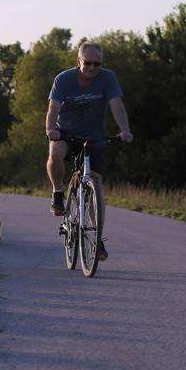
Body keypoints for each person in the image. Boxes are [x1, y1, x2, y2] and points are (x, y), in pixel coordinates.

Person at [45, 41, 133, 260]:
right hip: (67, 134)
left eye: (97, 64)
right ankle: (58, 192)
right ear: (79, 61)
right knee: (55, 152)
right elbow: (53, 108)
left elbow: (116, 104)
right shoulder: (63, 79)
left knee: (95, 185)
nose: (93, 68)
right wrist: (51, 129)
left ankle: (97, 237)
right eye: (88, 63)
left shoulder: (108, 78)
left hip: (94, 137)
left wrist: (125, 130)